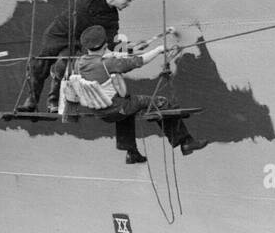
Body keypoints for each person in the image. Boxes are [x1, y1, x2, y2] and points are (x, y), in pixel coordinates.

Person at [64, 25, 199, 163]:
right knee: (161, 103)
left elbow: (98, 63)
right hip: (118, 108)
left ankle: (131, 152)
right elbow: (138, 61)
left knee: (125, 114)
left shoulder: (79, 63)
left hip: (102, 112)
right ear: (105, 45)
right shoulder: (109, 63)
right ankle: (185, 142)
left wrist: (112, 55)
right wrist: (158, 50)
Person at [19, 0, 136, 113]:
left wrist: (129, 48)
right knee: (38, 65)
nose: (128, 4)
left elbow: (111, 42)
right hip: (58, 32)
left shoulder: (112, 18)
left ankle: (53, 102)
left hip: (75, 41)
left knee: (63, 65)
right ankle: (31, 101)